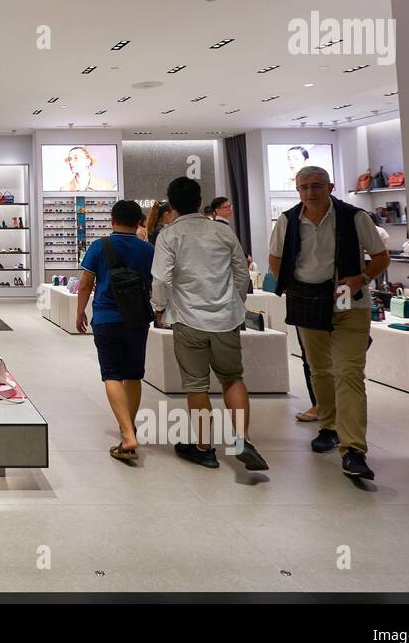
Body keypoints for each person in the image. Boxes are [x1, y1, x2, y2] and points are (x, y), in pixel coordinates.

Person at [270, 165, 389, 481]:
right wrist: (293, 284)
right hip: (309, 300)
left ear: (331, 186)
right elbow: (276, 258)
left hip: (349, 302)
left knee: (349, 373)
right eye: (305, 186)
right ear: (298, 190)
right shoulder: (288, 220)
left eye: (317, 185)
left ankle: (354, 450)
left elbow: (380, 256)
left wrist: (361, 278)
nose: (311, 192)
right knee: (318, 368)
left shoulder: (354, 218)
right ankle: (329, 425)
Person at [151, 176, 268, 472]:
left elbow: (162, 278)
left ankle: (204, 447)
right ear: (200, 198)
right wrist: (235, 304)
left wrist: (159, 308)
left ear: (172, 204)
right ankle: (243, 437)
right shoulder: (222, 232)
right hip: (226, 318)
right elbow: (241, 274)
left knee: (196, 385)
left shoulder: (170, 235)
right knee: (233, 377)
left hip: (188, 318)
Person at [75, 200, 155, 464]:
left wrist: (80, 312)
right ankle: (128, 429)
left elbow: (86, 284)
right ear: (139, 222)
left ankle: (128, 433)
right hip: (137, 319)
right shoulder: (147, 250)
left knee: (111, 374)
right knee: (133, 375)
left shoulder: (100, 246)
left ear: (112, 220)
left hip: (107, 317)